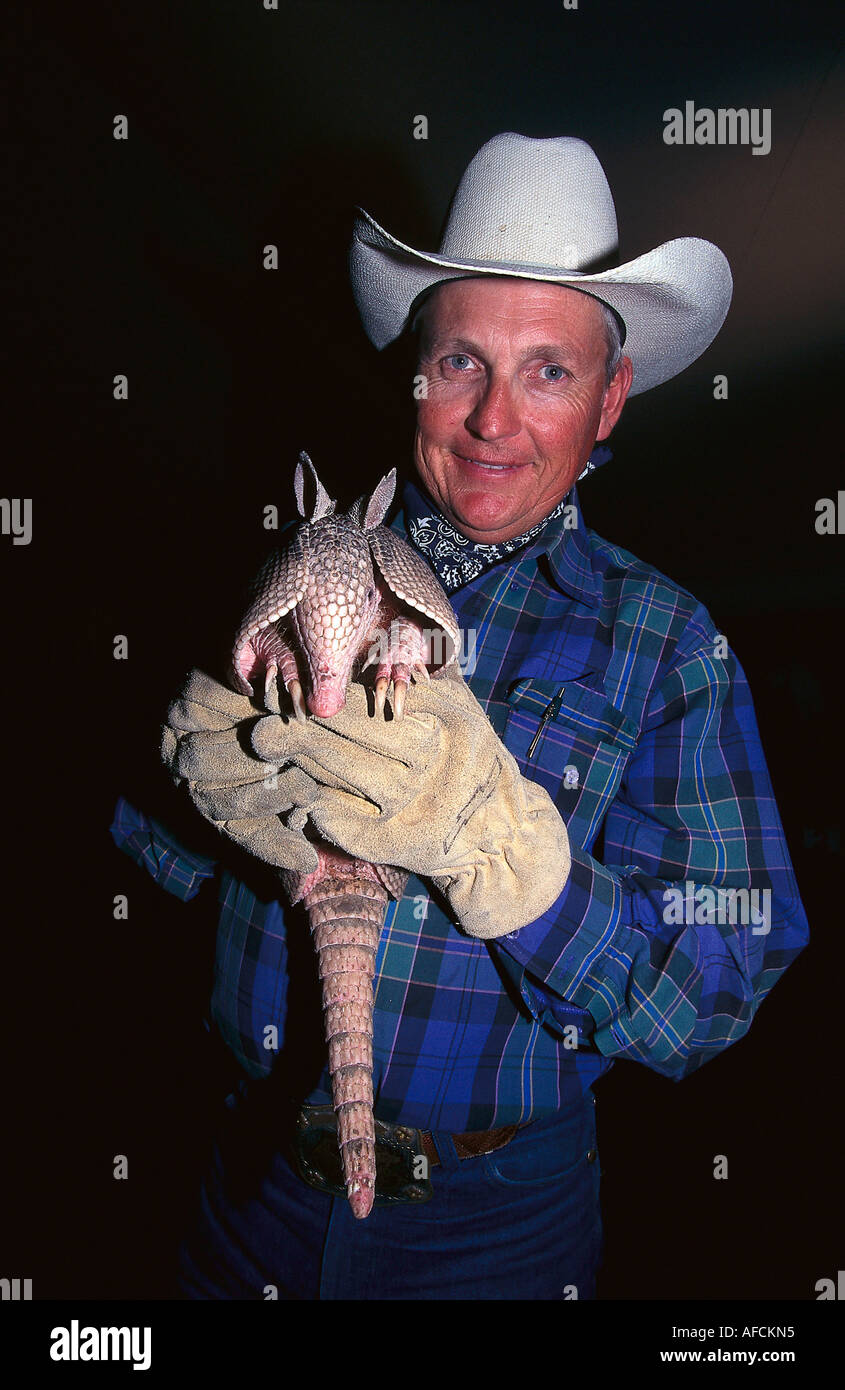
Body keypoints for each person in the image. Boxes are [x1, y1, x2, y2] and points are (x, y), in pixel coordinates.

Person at [112, 134, 809, 1300]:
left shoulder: (669, 645)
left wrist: (524, 870)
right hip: (244, 1192)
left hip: (491, 1236)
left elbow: (716, 987)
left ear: (608, 402)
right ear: (416, 376)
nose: (491, 419)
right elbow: (154, 866)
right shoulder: (281, 563)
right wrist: (191, 774)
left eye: (547, 371)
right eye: (460, 363)